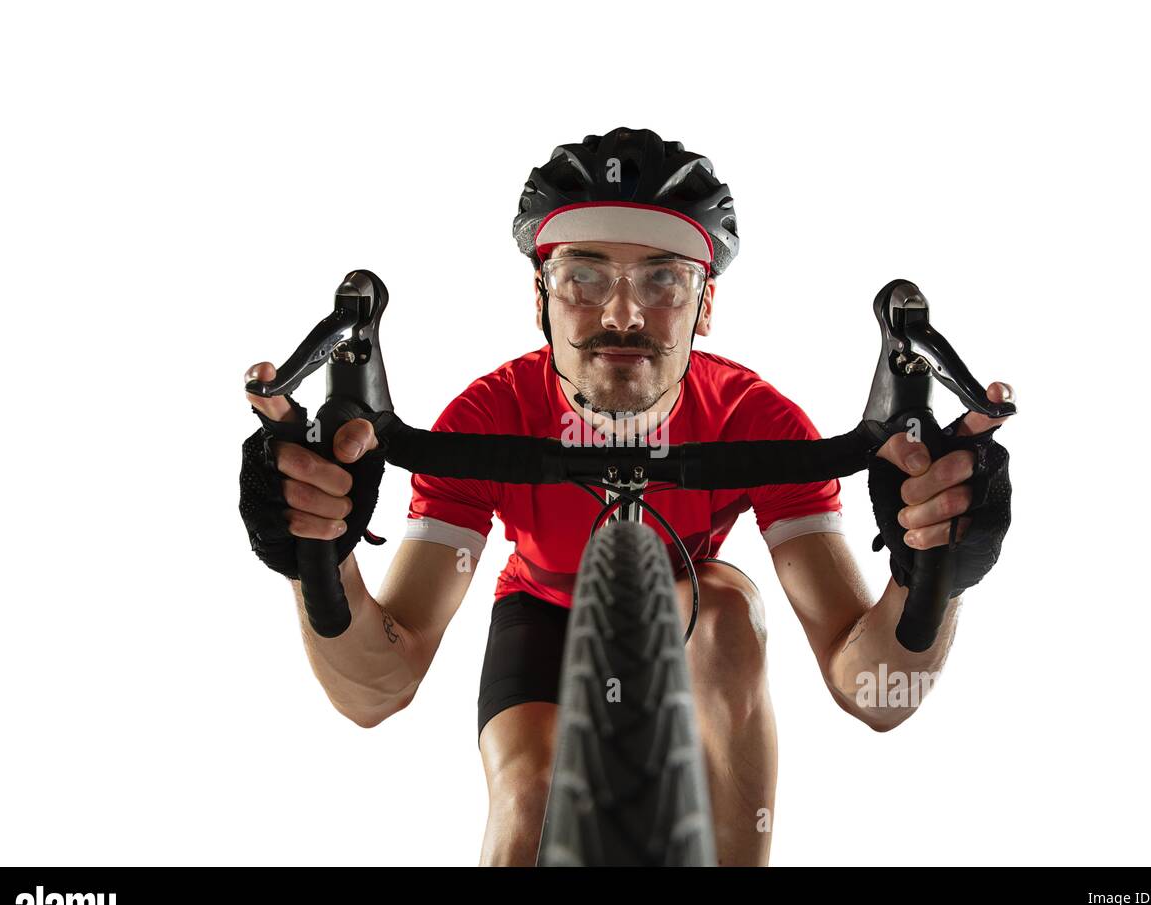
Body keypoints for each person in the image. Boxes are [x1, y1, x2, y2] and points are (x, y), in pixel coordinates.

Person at [239, 127, 1015, 866]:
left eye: (663, 280)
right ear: (538, 296)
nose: (620, 315)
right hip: (541, 609)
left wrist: (933, 574)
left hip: (692, 615)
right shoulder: (485, 418)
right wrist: (319, 561)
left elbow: (875, 692)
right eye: (581, 275)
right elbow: (376, 690)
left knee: (726, 607)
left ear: (705, 304)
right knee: (530, 799)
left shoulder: (757, 421)